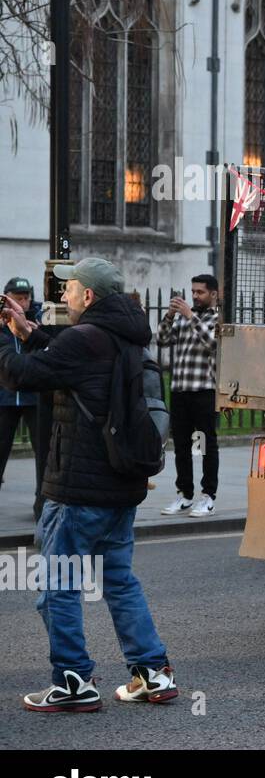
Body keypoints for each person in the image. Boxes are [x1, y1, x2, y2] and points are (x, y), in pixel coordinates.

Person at [0, 257, 176, 712]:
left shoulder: (85, 339)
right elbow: (69, 357)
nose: (63, 296)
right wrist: (29, 333)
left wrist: (4, 339)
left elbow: (26, 374)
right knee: (118, 580)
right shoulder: (127, 335)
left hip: (77, 489)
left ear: (89, 296)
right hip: (122, 486)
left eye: (69, 288)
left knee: (58, 587)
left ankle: (73, 681)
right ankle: (151, 673)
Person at [156, 274, 220, 517]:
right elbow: (162, 340)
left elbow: (211, 343)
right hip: (180, 391)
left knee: (203, 445)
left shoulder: (217, 319)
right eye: (193, 291)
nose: (195, 296)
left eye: (200, 292)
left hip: (203, 392)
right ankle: (184, 494)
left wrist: (188, 315)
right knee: (182, 446)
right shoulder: (184, 319)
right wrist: (171, 315)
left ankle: (208, 496)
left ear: (213, 294)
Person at [0, 277, 44, 515]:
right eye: (18, 298)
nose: (24, 302)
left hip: (33, 395)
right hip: (4, 396)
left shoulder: (40, 317)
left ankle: (42, 503)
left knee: (42, 450)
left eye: (27, 297)